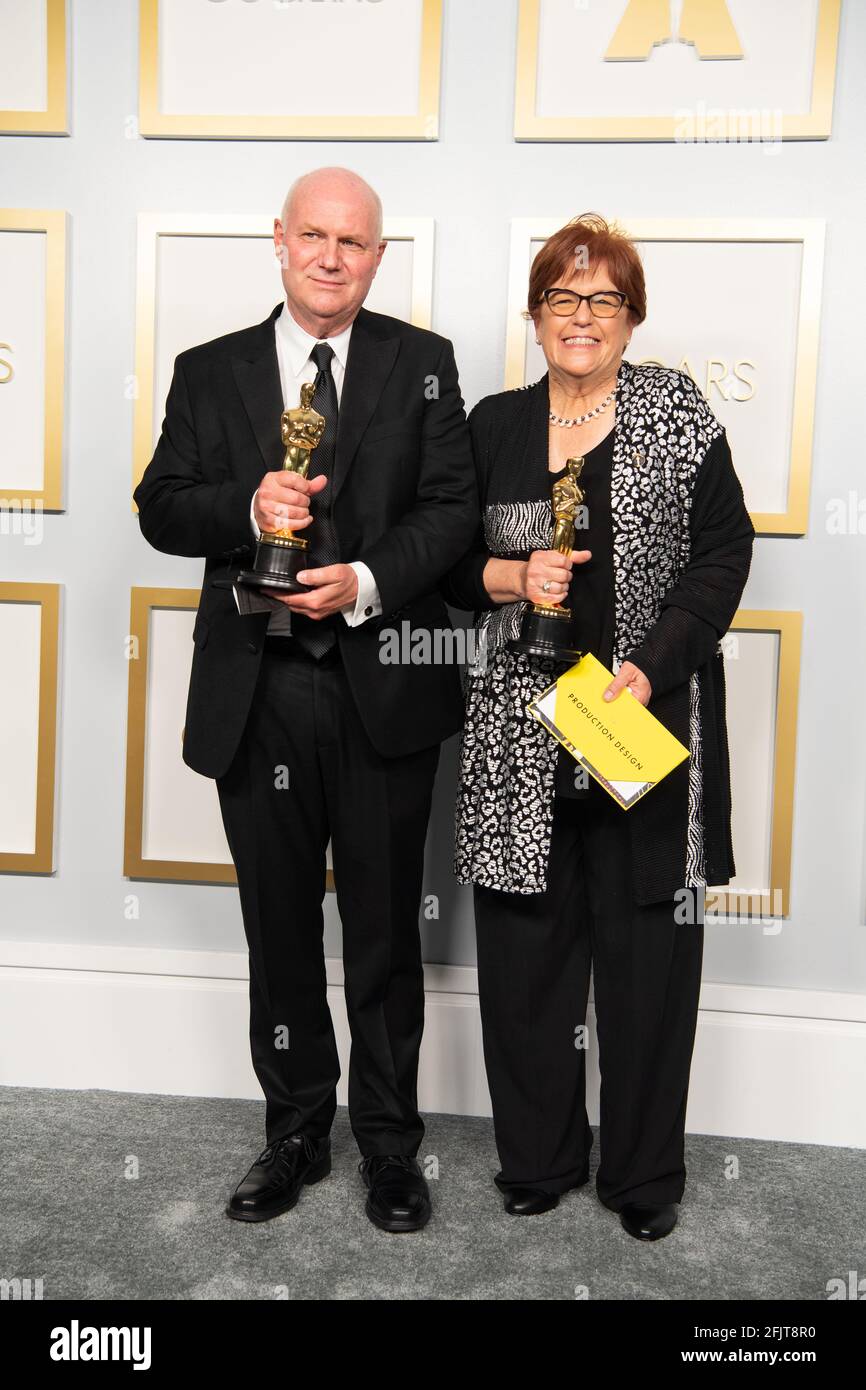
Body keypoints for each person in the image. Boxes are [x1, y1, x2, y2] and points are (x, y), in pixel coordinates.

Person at [134, 167, 478, 1232]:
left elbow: (453, 509)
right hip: (260, 691)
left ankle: (387, 1144)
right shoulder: (209, 370)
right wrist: (243, 506)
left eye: (356, 243)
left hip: (381, 688)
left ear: (379, 257)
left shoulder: (422, 365)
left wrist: (368, 581)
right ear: (278, 241)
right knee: (277, 928)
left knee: (380, 932)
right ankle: (292, 1131)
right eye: (315, 237)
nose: (333, 257)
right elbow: (159, 507)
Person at [443, 213, 754, 1240]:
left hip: (638, 725)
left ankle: (641, 1178)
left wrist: (649, 664)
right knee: (526, 960)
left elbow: (721, 555)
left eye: (603, 299)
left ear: (631, 316)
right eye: (562, 298)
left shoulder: (674, 409)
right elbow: (436, 560)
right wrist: (504, 573)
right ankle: (535, 1159)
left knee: (645, 966)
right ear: (534, 313)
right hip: (516, 741)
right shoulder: (490, 426)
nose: (581, 318)